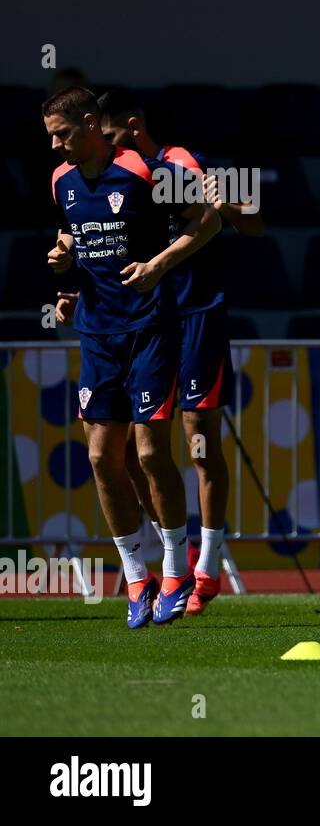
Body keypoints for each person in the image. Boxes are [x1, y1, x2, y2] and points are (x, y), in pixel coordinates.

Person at [43, 86, 221, 627]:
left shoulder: (145, 172)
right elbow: (75, 234)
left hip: (150, 328)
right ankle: (136, 579)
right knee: (101, 458)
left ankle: (175, 569)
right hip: (97, 333)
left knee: (149, 454)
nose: (55, 146)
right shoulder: (61, 182)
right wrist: (63, 260)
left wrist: (160, 265)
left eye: (63, 134)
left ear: (92, 124)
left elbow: (207, 220)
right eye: (50, 136)